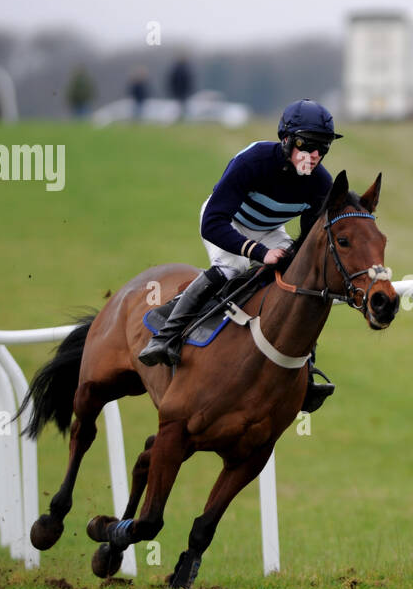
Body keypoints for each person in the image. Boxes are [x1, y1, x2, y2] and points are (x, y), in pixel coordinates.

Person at [137, 99, 343, 409]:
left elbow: (308, 241)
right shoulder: (254, 161)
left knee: (298, 282)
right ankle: (166, 335)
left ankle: (307, 370)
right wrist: (259, 252)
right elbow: (213, 223)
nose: (314, 156)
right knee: (231, 269)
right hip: (226, 221)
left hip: (269, 229)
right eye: (307, 144)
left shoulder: (321, 184)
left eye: (322, 148)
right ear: (286, 139)